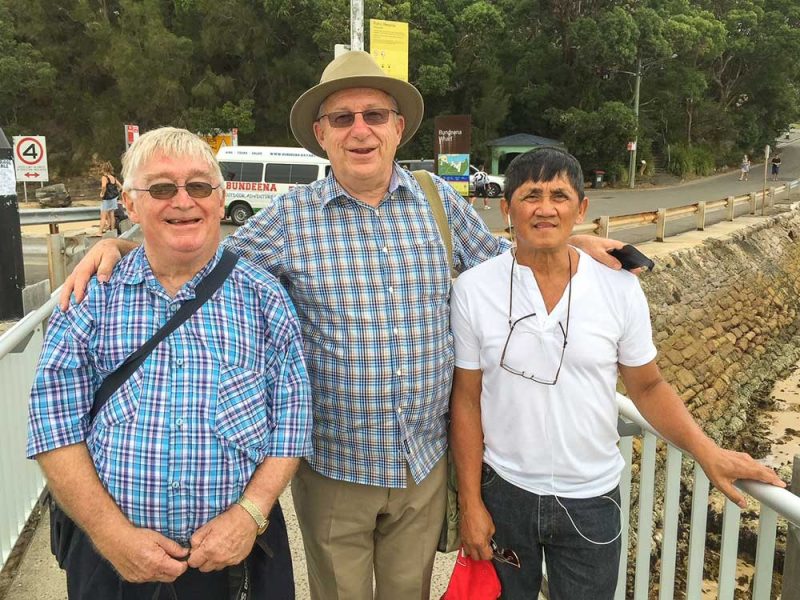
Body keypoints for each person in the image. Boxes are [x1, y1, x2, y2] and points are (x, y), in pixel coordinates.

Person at [60, 52, 632, 599]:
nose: (360, 130)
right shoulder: (290, 217)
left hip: (422, 462)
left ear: (397, 127)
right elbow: (203, 259)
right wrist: (121, 241)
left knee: (408, 594)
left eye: (374, 115)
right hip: (333, 464)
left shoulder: (440, 203)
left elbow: (507, 269)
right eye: (343, 118)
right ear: (323, 133)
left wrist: (567, 239)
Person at [449, 147, 785, 599]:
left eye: (559, 195)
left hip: (592, 496)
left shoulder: (618, 288)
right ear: (506, 208)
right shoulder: (473, 290)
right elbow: (466, 399)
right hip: (505, 489)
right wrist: (471, 502)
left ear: (581, 208)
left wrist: (707, 451)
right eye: (530, 196)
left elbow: (647, 386)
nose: (545, 208)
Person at [28, 127, 313, 600]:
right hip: (113, 561)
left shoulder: (265, 300)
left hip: (236, 562)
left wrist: (250, 514)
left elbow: (292, 423)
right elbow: (54, 428)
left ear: (221, 200)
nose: (183, 201)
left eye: (199, 186)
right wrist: (112, 536)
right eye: (161, 188)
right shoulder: (89, 298)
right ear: (130, 204)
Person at [99, 162, 122, 232]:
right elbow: (120, 186)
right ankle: (112, 230)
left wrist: (102, 193)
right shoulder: (113, 177)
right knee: (112, 214)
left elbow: (103, 186)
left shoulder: (104, 177)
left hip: (106, 199)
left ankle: (100, 232)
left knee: (103, 215)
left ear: (103, 169)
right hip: (113, 199)